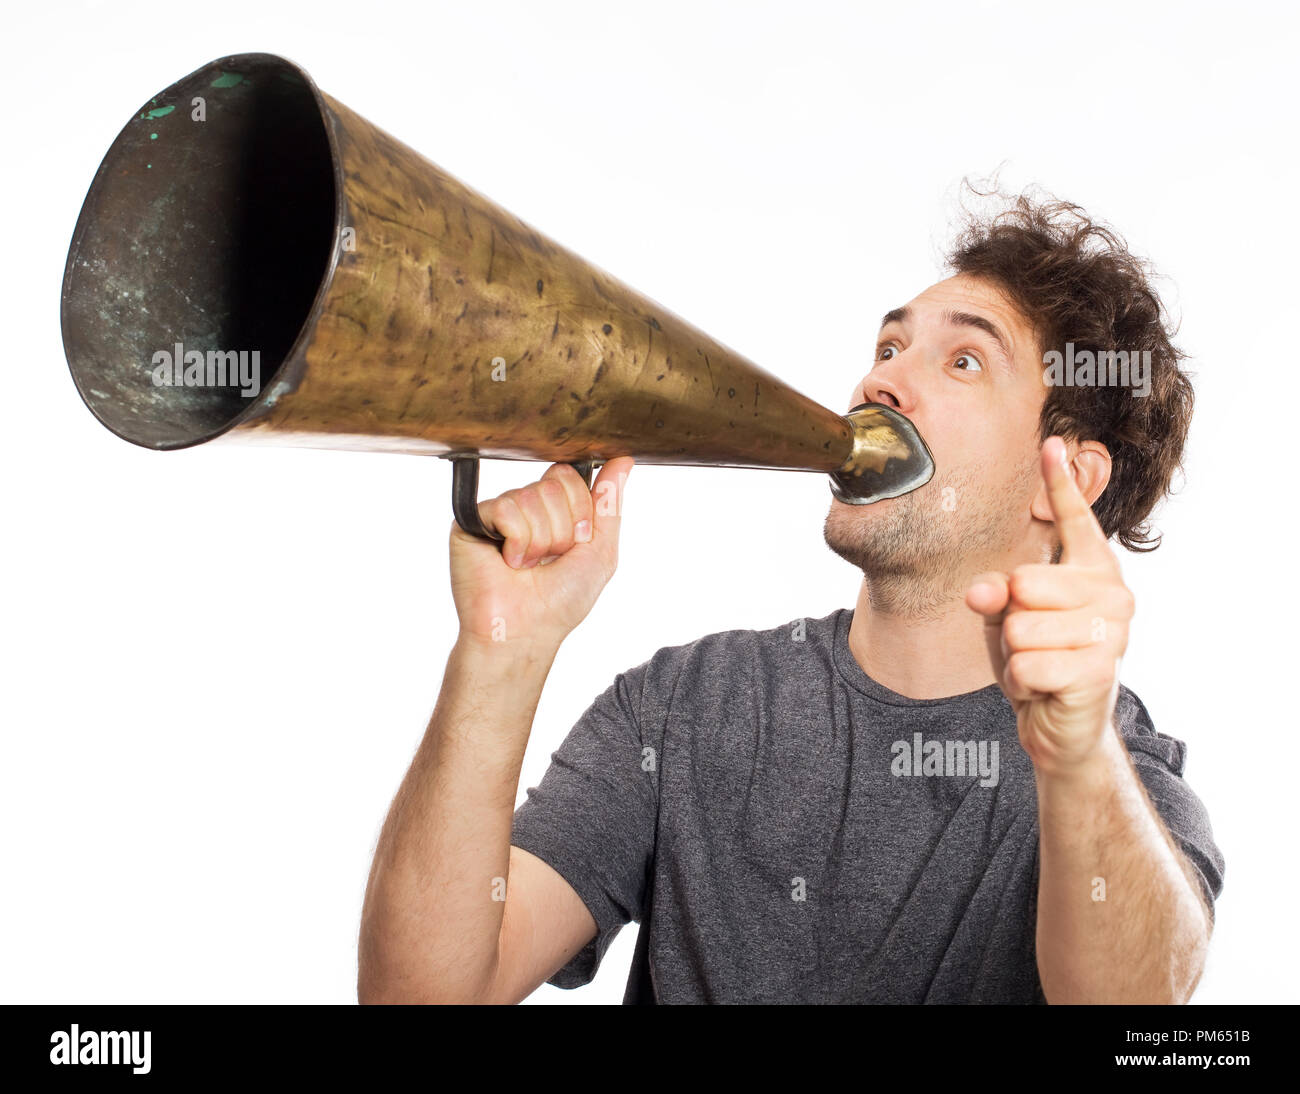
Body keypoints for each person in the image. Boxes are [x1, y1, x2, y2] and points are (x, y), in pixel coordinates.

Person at [356, 189, 1224, 1004]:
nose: (878, 384)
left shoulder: (1123, 779)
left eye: (964, 360)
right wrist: (501, 653)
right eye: (888, 347)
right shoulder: (681, 707)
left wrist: (1077, 760)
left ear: (1067, 475)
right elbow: (422, 994)